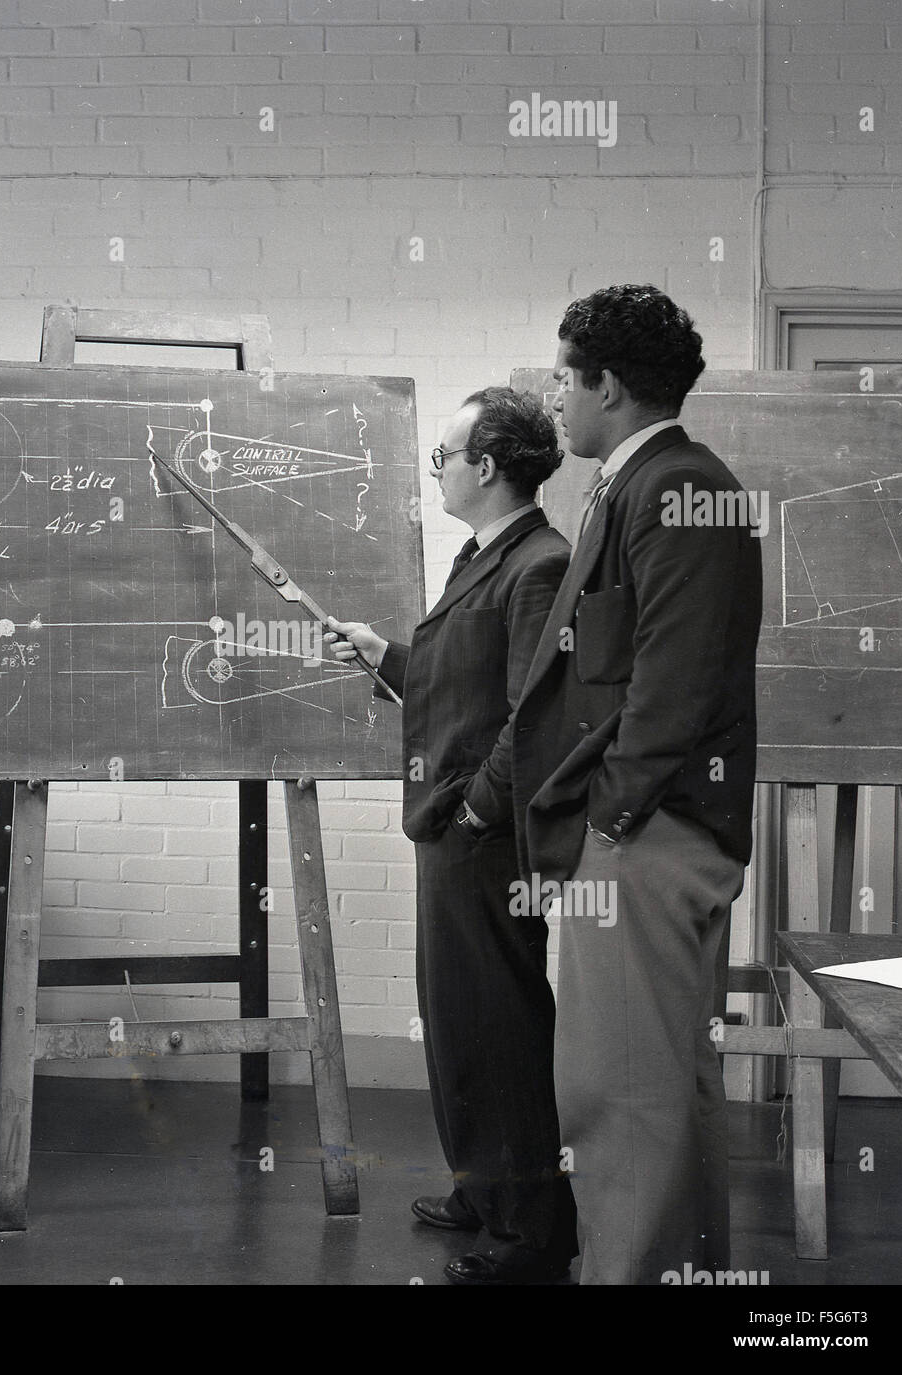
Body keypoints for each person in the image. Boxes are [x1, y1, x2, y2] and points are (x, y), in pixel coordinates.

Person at [512, 285, 763, 1285]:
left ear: (606, 384)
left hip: (647, 836)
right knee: (657, 1085)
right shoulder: (639, 484)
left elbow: (676, 686)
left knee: (621, 1095)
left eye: (562, 376)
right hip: (644, 830)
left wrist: (606, 822)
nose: (552, 397)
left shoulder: (679, 487)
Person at [326, 387, 576, 1285]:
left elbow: (531, 714)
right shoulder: (485, 556)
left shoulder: (540, 564)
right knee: (458, 1021)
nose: (438, 469)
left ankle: (530, 1231)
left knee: (500, 1026)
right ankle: (483, 1188)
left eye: (446, 455)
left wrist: (476, 808)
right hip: (450, 829)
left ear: (489, 466)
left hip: (485, 836)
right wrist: (382, 653)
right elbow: (455, 685)